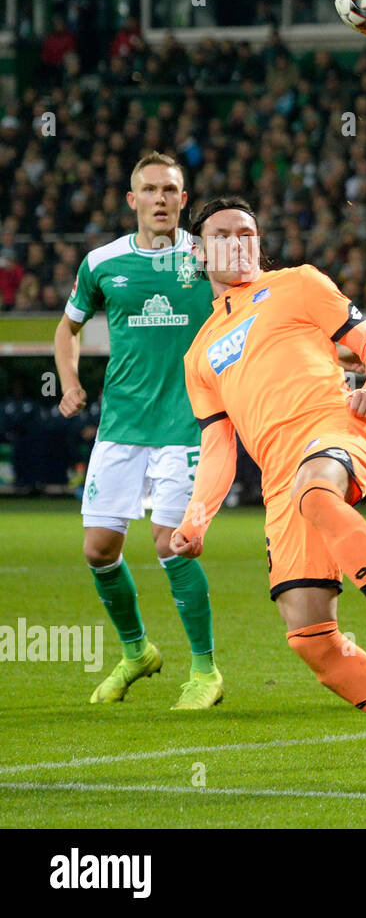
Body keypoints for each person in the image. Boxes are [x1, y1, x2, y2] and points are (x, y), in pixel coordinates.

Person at [170, 196, 366, 766]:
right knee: (311, 638)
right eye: (223, 234)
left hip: (337, 429)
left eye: (247, 231)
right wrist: (196, 517)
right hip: (280, 481)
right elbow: (219, 443)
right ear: (198, 253)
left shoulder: (298, 283)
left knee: (316, 490)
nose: (239, 241)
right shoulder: (198, 353)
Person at [53, 151, 221, 709]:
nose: (160, 199)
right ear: (132, 200)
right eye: (149, 190)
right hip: (121, 426)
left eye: (170, 190)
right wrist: (70, 380)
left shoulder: (206, 260)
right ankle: (136, 652)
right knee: (99, 550)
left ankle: (204, 671)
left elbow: (257, 309)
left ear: (183, 199)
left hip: (186, 425)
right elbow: (67, 327)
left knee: (173, 544)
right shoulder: (102, 263)